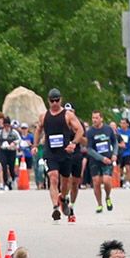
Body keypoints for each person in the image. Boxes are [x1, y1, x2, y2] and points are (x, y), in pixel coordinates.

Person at [35, 89, 85, 222]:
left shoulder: (67, 115)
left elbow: (79, 130)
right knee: (53, 177)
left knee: (65, 180)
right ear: (48, 101)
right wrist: (34, 145)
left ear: (60, 100)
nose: (55, 103)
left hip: (65, 152)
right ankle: (55, 207)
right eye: (52, 101)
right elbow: (38, 129)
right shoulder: (44, 116)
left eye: (57, 100)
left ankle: (63, 198)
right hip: (50, 152)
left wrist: (73, 143)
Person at [84, 111, 117, 214]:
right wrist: (101, 158)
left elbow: (114, 142)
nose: (94, 120)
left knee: (107, 180)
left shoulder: (108, 129)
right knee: (96, 182)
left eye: (97, 118)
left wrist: (114, 154)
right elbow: (89, 149)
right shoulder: (90, 132)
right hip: (95, 160)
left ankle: (107, 197)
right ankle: (99, 204)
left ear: (101, 118)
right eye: (93, 118)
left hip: (108, 158)